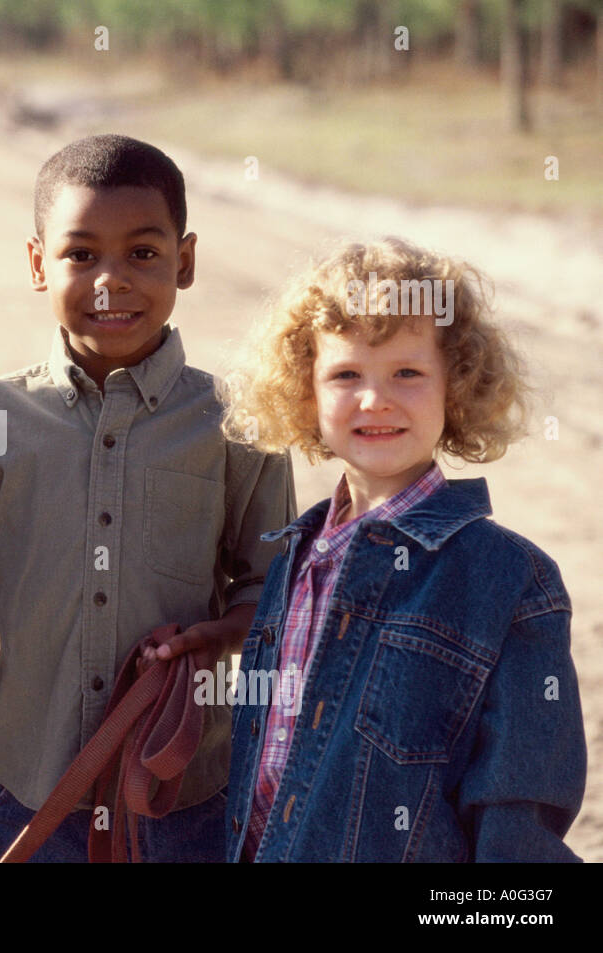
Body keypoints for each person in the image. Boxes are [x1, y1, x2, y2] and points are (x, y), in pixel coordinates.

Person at [0, 134, 295, 862]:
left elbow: (277, 603)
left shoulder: (241, 422)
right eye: (81, 255)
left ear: (184, 262)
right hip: (32, 791)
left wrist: (208, 637)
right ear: (39, 264)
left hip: (188, 789)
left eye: (142, 253)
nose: (111, 281)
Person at [218, 237, 586, 861]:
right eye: (345, 374)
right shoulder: (293, 558)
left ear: (458, 386)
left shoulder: (510, 580)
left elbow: (518, 823)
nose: (375, 399)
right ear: (306, 393)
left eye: (407, 373)